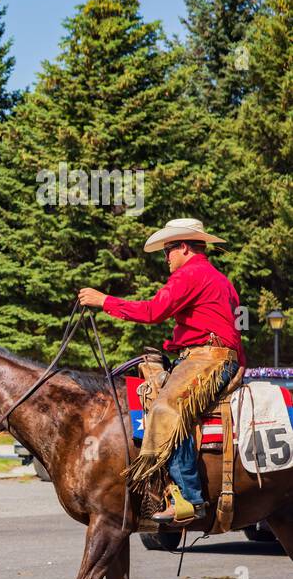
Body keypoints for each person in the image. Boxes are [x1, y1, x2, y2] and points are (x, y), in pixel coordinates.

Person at [79, 218, 244, 524]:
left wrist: (105, 302)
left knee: (167, 408)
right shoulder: (220, 279)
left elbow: (154, 311)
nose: (166, 257)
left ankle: (190, 498)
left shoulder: (191, 274)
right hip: (214, 355)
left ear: (183, 247)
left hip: (208, 357)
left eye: (169, 249)